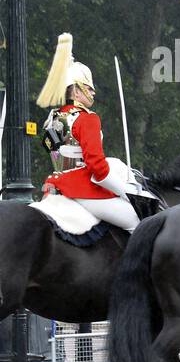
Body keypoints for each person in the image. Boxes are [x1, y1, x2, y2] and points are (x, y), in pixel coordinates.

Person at [36, 33, 140, 231]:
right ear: (76, 91)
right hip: (81, 187)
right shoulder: (88, 119)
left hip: (53, 186)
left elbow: (53, 152)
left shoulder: (52, 119)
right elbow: (97, 166)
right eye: (89, 88)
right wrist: (125, 192)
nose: (93, 92)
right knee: (136, 222)